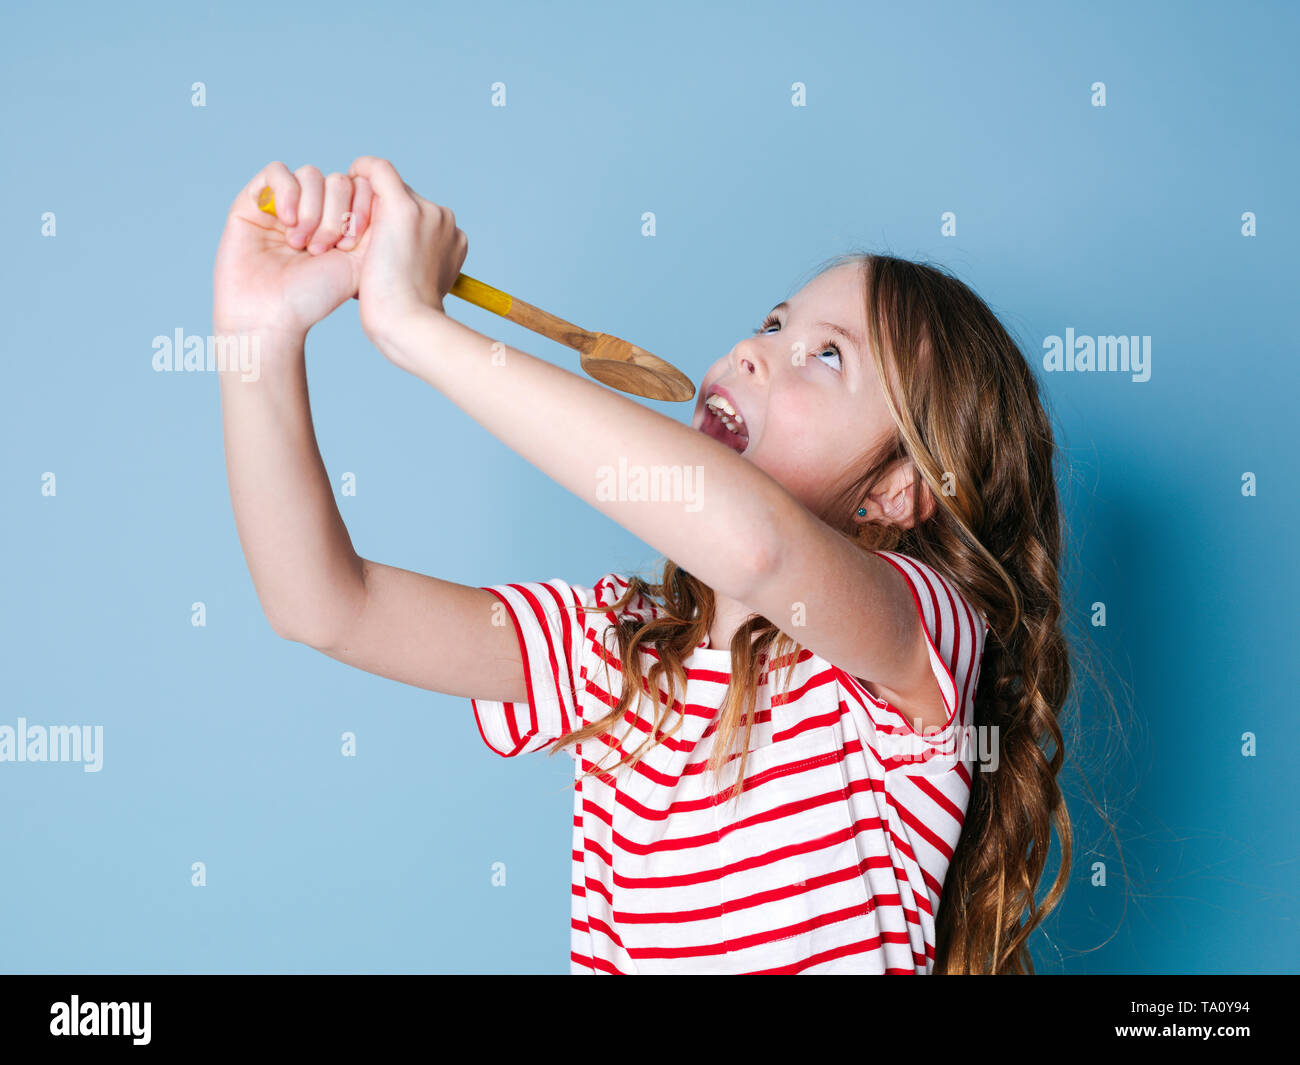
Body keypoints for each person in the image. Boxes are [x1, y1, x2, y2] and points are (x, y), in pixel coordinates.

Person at [213, 156, 1073, 974]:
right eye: (773, 322)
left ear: (895, 489)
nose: (753, 349)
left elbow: (756, 545)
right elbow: (325, 604)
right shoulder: (610, 646)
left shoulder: (920, 633)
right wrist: (256, 336)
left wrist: (413, 327)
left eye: (827, 355)